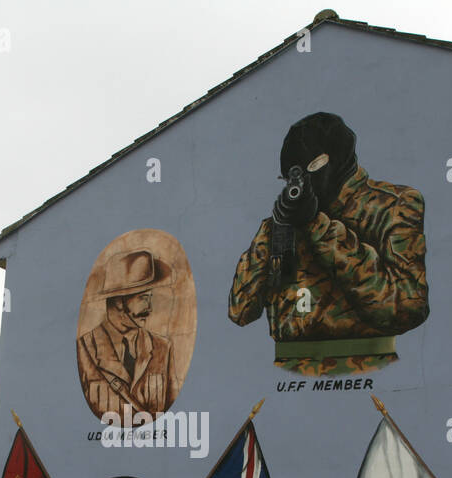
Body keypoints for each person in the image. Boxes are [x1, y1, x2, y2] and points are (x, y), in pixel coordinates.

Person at [228, 112, 429, 376]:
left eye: (312, 168)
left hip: (366, 365)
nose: (298, 184)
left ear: (336, 158)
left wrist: (319, 226)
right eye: (288, 178)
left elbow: (405, 307)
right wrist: (273, 232)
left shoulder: (391, 205)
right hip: (289, 372)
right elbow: (240, 311)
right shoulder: (282, 222)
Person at [77, 249, 178, 418]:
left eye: (150, 298)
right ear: (118, 302)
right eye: (143, 299)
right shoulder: (84, 348)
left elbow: (175, 409)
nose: (150, 308)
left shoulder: (162, 347)